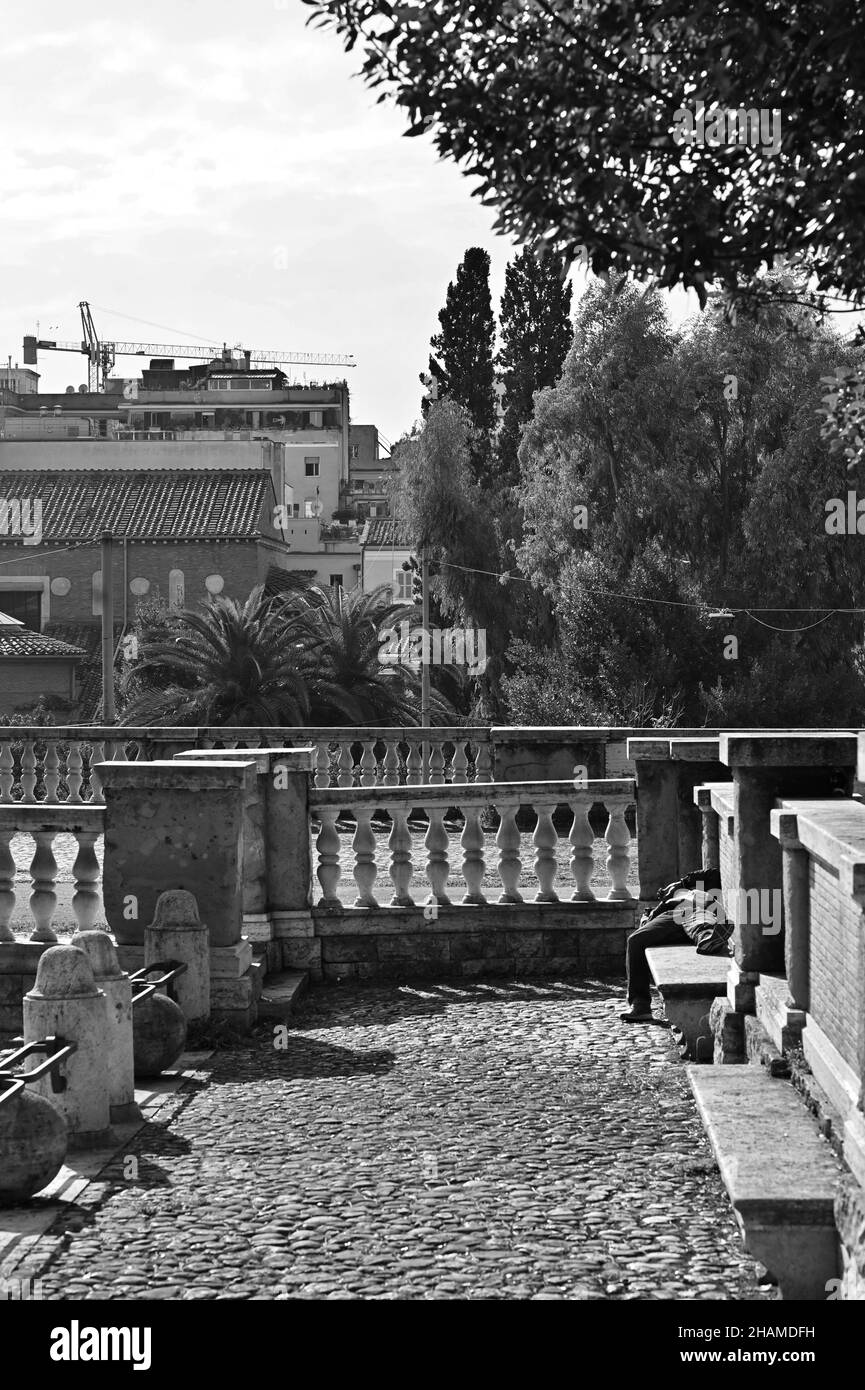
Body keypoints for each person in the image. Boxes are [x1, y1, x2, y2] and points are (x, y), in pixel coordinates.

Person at [620, 867, 731, 1023]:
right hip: (675, 917)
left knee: (699, 921)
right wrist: (654, 913)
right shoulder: (664, 907)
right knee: (635, 940)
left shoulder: (695, 891)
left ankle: (708, 939)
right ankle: (640, 1005)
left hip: (701, 912)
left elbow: (712, 874)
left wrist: (681, 884)